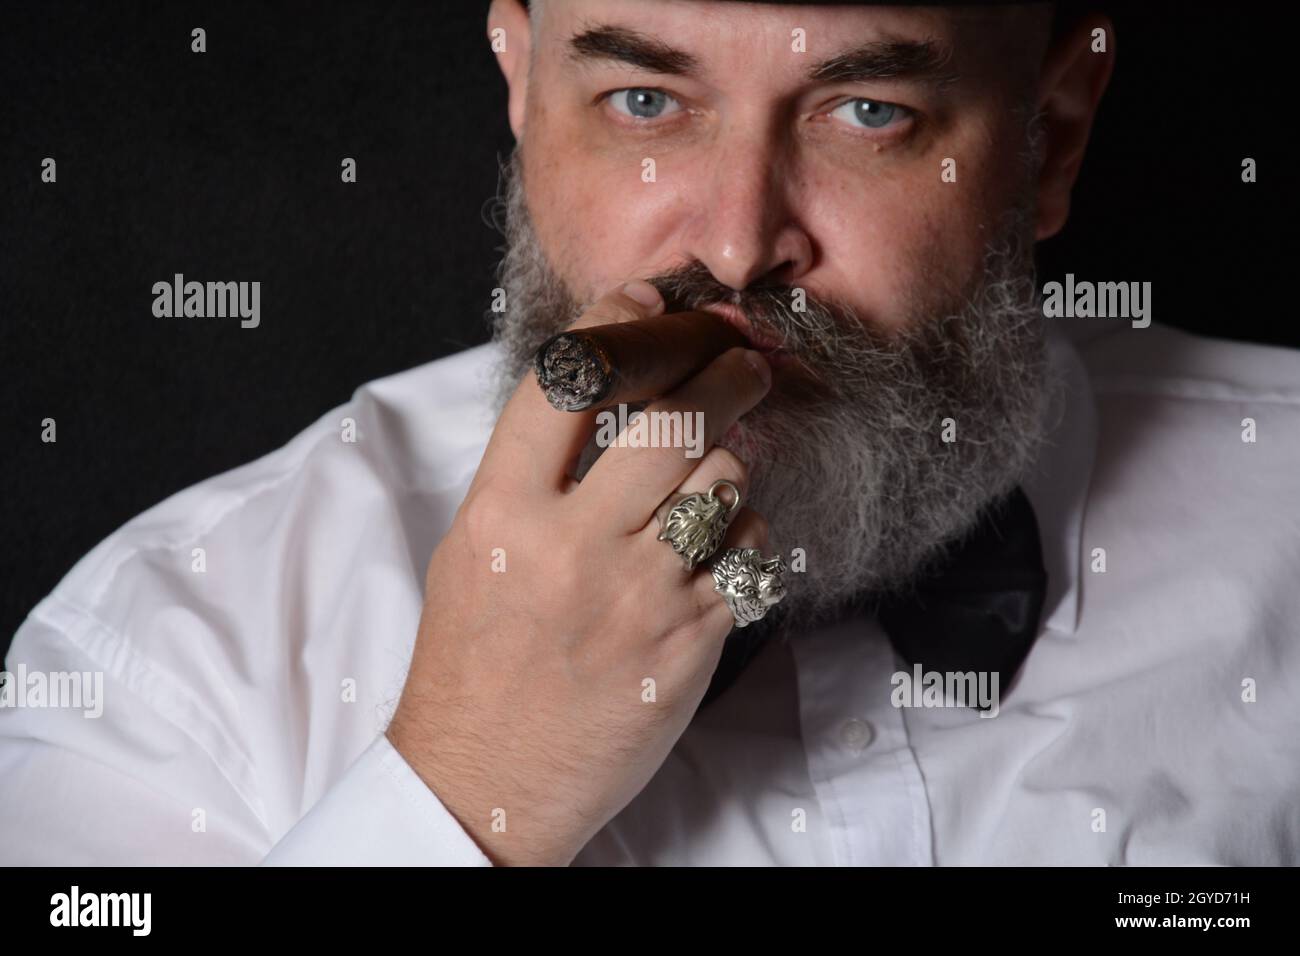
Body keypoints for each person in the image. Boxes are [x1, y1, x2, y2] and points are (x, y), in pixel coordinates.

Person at [3, 0, 1298, 867]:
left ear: (1050, 135)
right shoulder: (169, 663)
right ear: (521, 88)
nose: (738, 242)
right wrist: (456, 790)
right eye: (642, 102)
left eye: (869, 113)